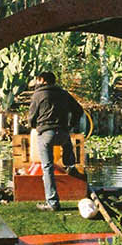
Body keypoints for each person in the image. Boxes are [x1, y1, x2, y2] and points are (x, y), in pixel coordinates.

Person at [26, 71, 85, 211]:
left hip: (46, 134)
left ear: (42, 80)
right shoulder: (64, 93)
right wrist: (71, 125)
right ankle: (71, 167)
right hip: (63, 133)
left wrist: (35, 126)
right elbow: (79, 110)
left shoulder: (38, 94)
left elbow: (31, 118)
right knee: (68, 151)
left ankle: (53, 202)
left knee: (47, 168)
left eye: (37, 80)